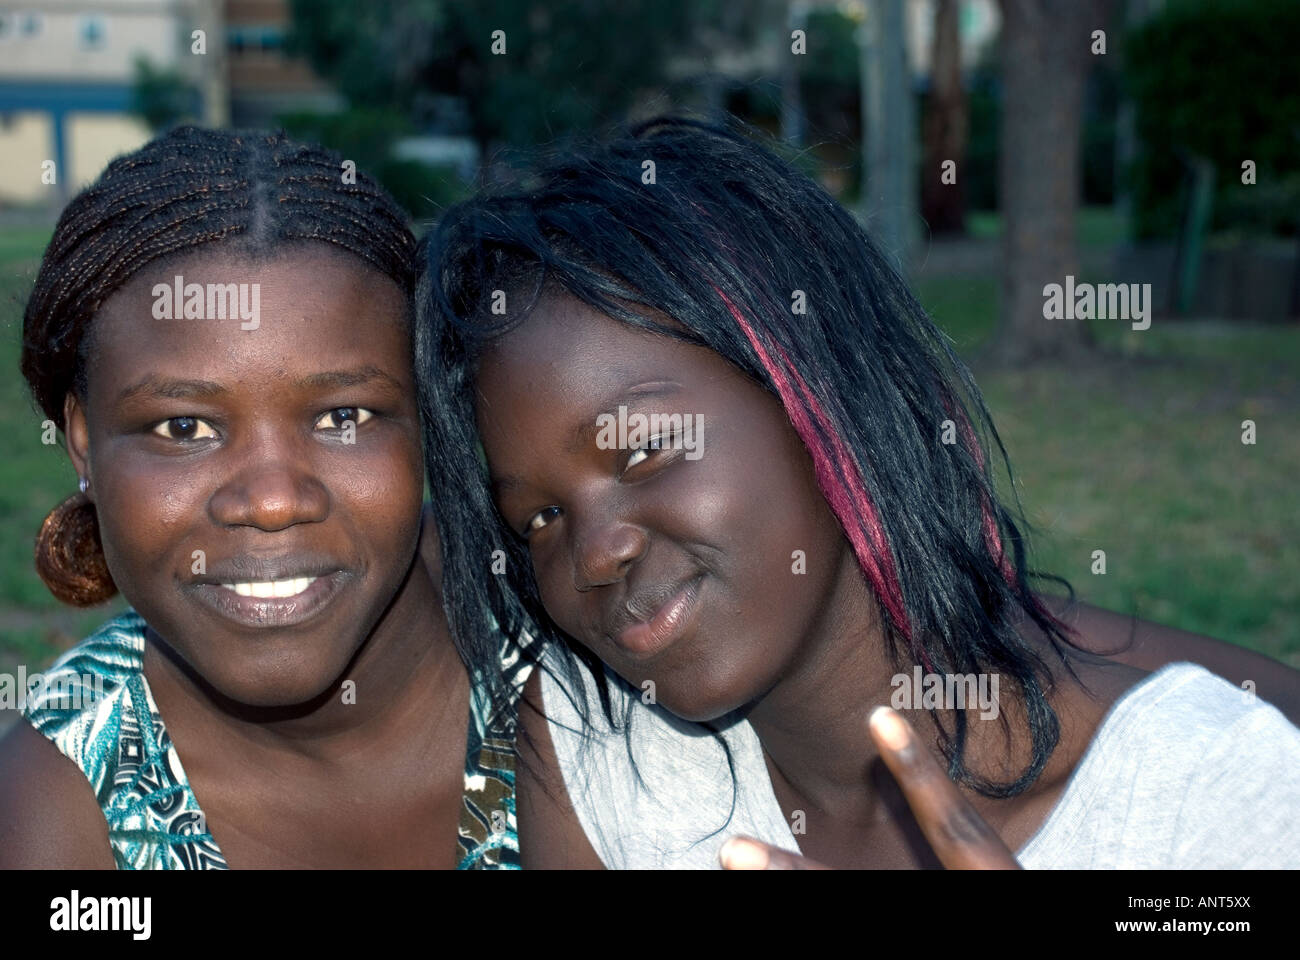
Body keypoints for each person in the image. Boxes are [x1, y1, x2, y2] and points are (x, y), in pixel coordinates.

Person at [414, 115, 1300, 869]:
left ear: (821, 391)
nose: (596, 552)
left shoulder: (1212, 808)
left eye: (646, 450)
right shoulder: (603, 761)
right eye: (538, 517)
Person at [0, 126, 532, 869]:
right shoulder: (59, 803)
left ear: (427, 417)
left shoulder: (569, 641)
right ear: (82, 440)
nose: (275, 502)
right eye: (184, 426)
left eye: (343, 417)